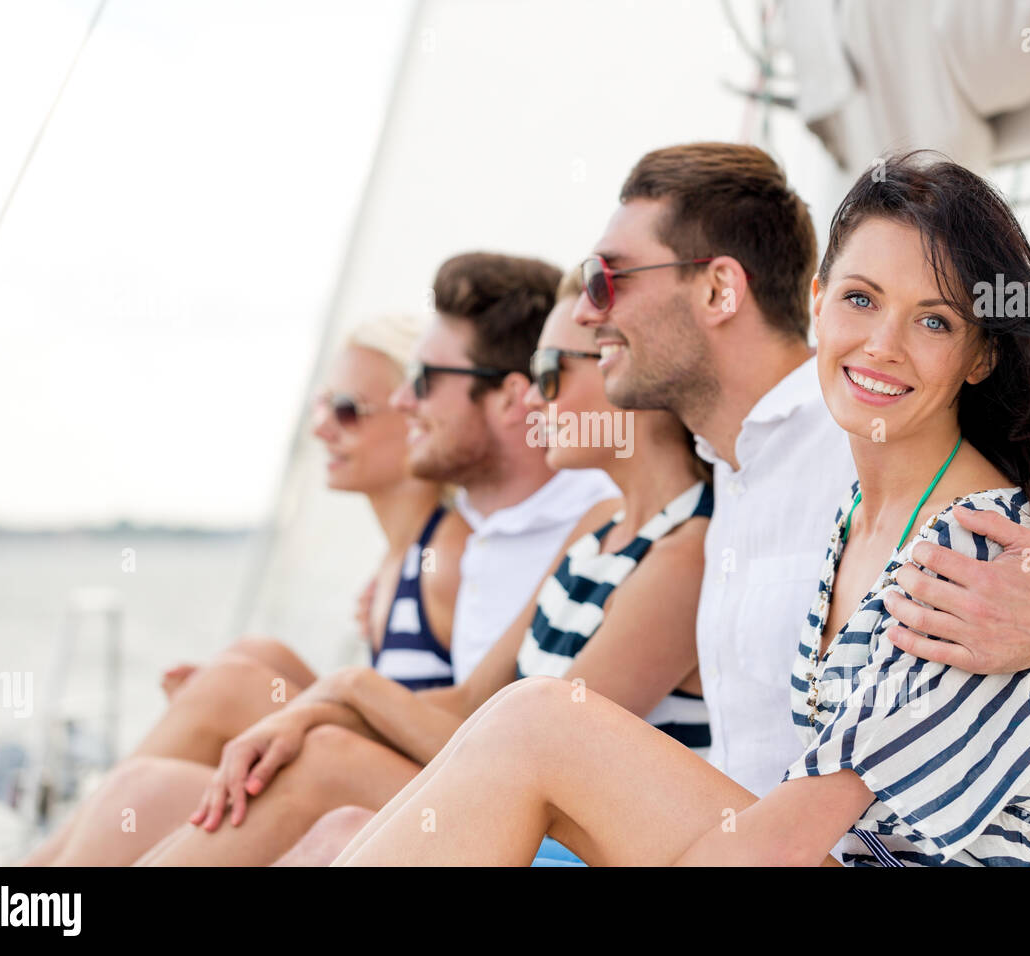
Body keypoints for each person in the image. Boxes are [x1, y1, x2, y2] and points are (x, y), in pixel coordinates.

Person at [330, 150, 1030, 865]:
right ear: (816, 304)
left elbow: (786, 843)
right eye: (862, 300)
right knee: (444, 772)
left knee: (538, 722)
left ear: (980, 356)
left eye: (935, 320)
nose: (881, 346)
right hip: (797, 837)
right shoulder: (847, 500)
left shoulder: (967, 552)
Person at [33, 253, 619, 865]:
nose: (404, 403)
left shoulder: (559, 530)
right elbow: (481, 704)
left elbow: (532, 742)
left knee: (267, 725)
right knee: (191, 740)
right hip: (483, 783)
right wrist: (324, 704)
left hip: (536, 821)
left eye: (416, 384)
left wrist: (336, 697)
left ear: (508, 397)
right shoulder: (513, 529)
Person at [139, 265, 714, 866]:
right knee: (319, 765)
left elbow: (543, 755)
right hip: (528, 812)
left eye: (551, 373)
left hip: (581, 843)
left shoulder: (684, 553)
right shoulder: (599, 525)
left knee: (326, 767)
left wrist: (346, 687)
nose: (535, 401)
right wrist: (316, 710)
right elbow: (474, 703)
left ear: (626, 371)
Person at [20, 312, 469, 865]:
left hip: (432, 798)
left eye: (348, 410)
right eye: (321, 406)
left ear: (411, 410)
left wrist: (277, 709)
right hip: (392, 767)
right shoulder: (401, 560)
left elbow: (471, 728)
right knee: (254, 656)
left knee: (218, 700)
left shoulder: (447, 558)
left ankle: (28, 879)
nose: (323, 428)